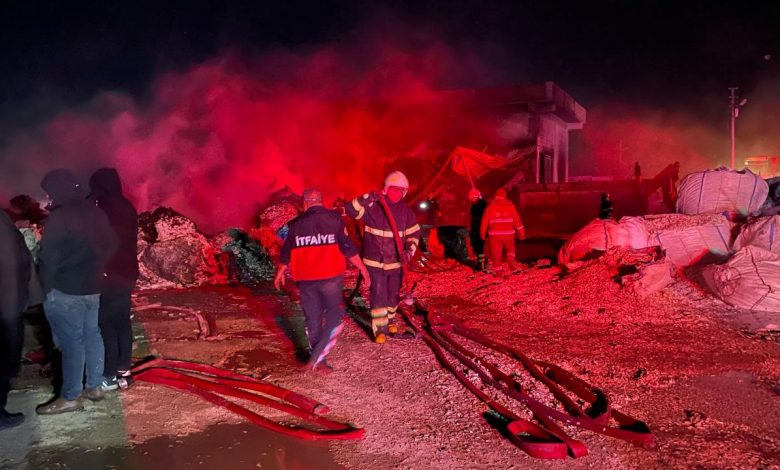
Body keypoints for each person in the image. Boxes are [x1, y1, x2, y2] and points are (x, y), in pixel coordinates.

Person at [36, 169, 117, 414]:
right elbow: (112, 243)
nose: (48, 197)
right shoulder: (95, 212)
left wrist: (45, 289)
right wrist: (96, 264)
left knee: (72, 343)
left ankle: (71, 396)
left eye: (49, 192)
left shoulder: (59, 218)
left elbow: (48, 258)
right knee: (92, 334)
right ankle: (95, 386)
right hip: (92, 288)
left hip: (65, 289)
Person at [274, 188, 370, 371]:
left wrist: (280, 272)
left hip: (305, 280)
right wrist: (363, 268)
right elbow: (347, 247)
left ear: (305, 203)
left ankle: (318, 358)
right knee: (335, 317)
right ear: (321, 201)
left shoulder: (294, 224)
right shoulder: (334, 219)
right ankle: (317, 357)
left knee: (313, 319)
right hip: (330, 278)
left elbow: (285, 249)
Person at [345, 171, 420, 343]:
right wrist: (367, 197)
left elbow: (414, 234)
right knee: (378, 294)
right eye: (394, 189)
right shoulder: (373, 207)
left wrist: (409, 252)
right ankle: (380, 329)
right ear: (385, 189)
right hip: (374, 262)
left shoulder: (406, 212)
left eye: (401, 191)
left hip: (396, 263)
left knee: (393, 294)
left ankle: (391, 320)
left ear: (405, 192)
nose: (397, 193)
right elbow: (350, 210)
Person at [89, 168, 139, 391]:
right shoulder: (127, 205)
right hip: (127, 272)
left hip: (110, 274)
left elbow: (102, 243)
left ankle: (108, 373)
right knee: (122, 321)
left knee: (106, 322)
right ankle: (124, 371)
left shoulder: (104, 210)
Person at [0, 211, 31, 430]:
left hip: (6, 304)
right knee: (3, 358)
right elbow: (13, 266)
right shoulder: (3, 226)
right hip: (6, 306)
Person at [480, 188, 525, 274]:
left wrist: (482, 234)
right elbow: (517, 221)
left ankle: (498, 271)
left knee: (496, 253)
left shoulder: (490, 207)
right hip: (509, 234)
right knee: (511, 248)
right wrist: (522, 233)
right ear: (505, 196)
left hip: (495, 236)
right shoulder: (511, 207)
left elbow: (484, 222)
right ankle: (511, 261)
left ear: (496, 196)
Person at [468, 189, 487, 268]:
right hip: (475, 230)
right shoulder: (474, 207)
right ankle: (481, 262)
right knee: (477, 247)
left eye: (474, 198)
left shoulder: (482, 206)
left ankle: (482, 263)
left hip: (481, 230)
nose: (473, 200)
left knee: (480, 247)